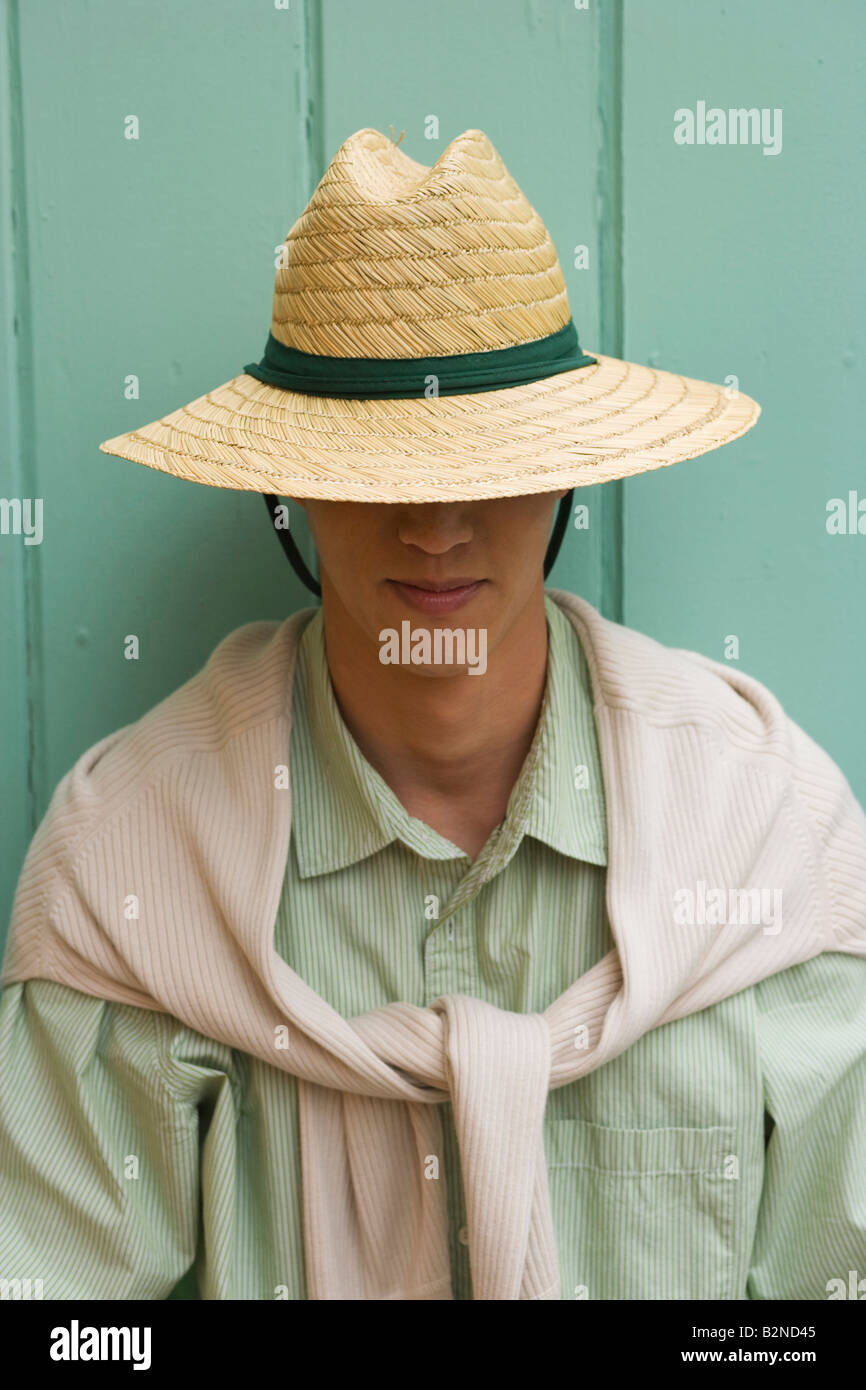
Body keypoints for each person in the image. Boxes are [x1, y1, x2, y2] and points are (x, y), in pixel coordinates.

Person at [1, 126, 864, 1302]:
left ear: (566, 473)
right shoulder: (133, 862)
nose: (436, 524)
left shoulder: (763, 830)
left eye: (487, 462)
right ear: (287, 486)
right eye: (375, 466)